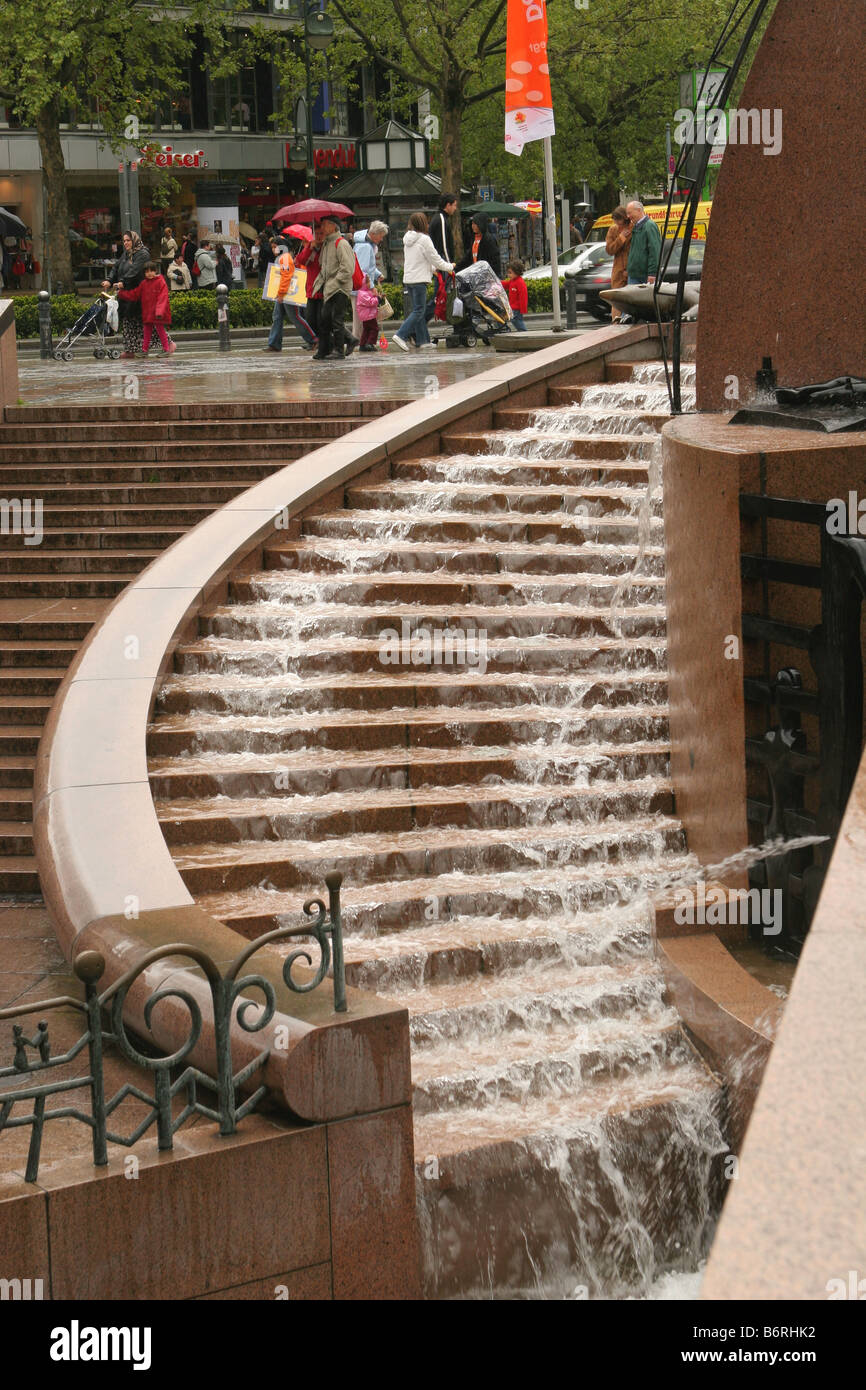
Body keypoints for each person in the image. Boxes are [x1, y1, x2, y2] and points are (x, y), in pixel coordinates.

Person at [392, 212, 454, 352]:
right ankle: (401, 335)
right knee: (419, 311)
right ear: (423, 223)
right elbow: (435, 258)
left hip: (409, 279)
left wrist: (433, 270)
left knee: (418, 310)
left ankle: (423, 340)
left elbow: (419, 259)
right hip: (419, 280)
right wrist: (449, 267)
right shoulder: (424, 239)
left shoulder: (407, 239)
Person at [311, 215, 358, 360]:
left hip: (339, 288)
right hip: (329, 287)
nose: (322, 228)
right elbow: (322, 265)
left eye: (325, 225)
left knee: (336, 320)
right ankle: (325, 349)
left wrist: (336, 281)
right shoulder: (326, 243)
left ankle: (339, 350)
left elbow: (348, 268)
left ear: (333, 226)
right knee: (325, 320)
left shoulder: (341, 243)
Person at [264, 236, 318, 352]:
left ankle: (313, 339)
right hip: (284, 293)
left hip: (287, 293)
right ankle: (274, 343)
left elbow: (286, 275)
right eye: (272, 247)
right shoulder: (283, 257)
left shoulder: (284, 257)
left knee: (294, 317)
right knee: (279, 317)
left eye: (275, 247)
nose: (273, 249)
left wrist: (281, 293)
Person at [102, 229, 150, 357]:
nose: (126, 243)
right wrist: (109, 280)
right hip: (126, 293)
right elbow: (116, 267)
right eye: (124, 241)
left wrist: (123, 282)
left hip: (138, 293)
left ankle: (168, 344)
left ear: (134, 240)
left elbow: (134, 271)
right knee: (128, 321)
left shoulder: (142, 254)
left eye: (128, 240)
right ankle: (130, 349)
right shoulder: (126, 254)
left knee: (144, 323)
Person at [116, 261, 176, 357]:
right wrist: (121, 293)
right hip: (148, 313)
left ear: (155, 271)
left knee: (160, 331)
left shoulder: (160, 282)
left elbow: (162, 297)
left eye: (151, 271)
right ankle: (144, 350)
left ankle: (166, 349)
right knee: (147, 332)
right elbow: (135, 294)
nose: (149, 273)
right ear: (144, 273)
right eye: (147, 271)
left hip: (157, 314)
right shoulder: (144, 284)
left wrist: (159, 311)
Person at [351, 220, 388, 339]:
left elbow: (366, 266)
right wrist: (371, 287)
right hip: (361, 288)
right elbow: (363, 270)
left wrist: (377, 274)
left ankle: (360, 340)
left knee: (361, 316)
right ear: (374, 234)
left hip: (360, 288)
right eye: (381, 236)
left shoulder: (364, 245)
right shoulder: (365, 247)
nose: (381, 239)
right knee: (360, 317)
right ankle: (357, 340)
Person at [426, 194, 457, 325]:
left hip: (439, 266)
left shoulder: (439, 218)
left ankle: (417, 329)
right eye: (454, 205)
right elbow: (444, 246)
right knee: (439, 298)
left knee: (438, 297)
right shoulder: (441, 219)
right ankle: (415, 328)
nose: (455, 208)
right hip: (443, 267)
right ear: (448, 205)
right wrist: (450, 266)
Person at [294, 223, 325, 342]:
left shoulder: (326, 247)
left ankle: (323, 342)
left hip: (323, 287)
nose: (318, 236)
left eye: (321, 234)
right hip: (311, 288)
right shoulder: (311, 247)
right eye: (316, 234)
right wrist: (309, 248)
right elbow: (300, 260)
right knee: (310, 318)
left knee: (320, 319)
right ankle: (317, 341)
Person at [605, 207, 632, 324]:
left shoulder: (633, 227)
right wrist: (621, 238)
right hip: (618, 269)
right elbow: (609, 249)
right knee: (616, 298)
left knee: (631, 298)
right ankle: (615, 322)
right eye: (615, 220)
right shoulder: (613, 230)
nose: (616, 223)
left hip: (630, 267)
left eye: (618, 220)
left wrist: (629, 269)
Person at [625, 202, 662, 285]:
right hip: (635, 275)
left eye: (629, 213)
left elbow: (655, 251)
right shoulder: (636, 227)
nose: (628, 216)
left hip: (645, 276)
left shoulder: (649, 226)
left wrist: (652, 273)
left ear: (638, 210)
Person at [502, 259, 528, 331]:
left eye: (510, 273)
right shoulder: (513, 281)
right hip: (513, 307)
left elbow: (523, 297)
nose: (508, 274)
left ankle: (523, 332)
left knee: (516, 321)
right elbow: (505, 284)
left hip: (516, 308)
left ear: (516, 272)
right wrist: (497, 282)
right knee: (515, 320)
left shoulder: (520, 282)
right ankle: (522, 331)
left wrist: (523, 309)